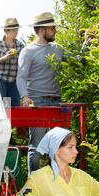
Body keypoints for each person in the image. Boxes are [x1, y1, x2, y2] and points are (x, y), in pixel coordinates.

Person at [16, 12, 65, 174]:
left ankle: (54, 185)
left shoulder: (57, 50)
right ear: (43, 30)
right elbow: (21, 77)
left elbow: (78, 61)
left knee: (57, 146)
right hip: (37, 103)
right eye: (53, 28)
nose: (55, 30)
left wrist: (86, 45)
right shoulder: (28, 51)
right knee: (36, 146)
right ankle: (34, 188)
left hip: (56, 102)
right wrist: (24, 96)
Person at [0, 18, 25, 107]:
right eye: (13, 30)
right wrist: (5, 58)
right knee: (4, 108)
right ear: (6, 30)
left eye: (17, 30)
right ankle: (4, 121)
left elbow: (24, 63)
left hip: (14, 82)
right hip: (1, 80)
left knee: (14, 108)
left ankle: (11, 121)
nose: (16, 32)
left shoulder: (20, 46)